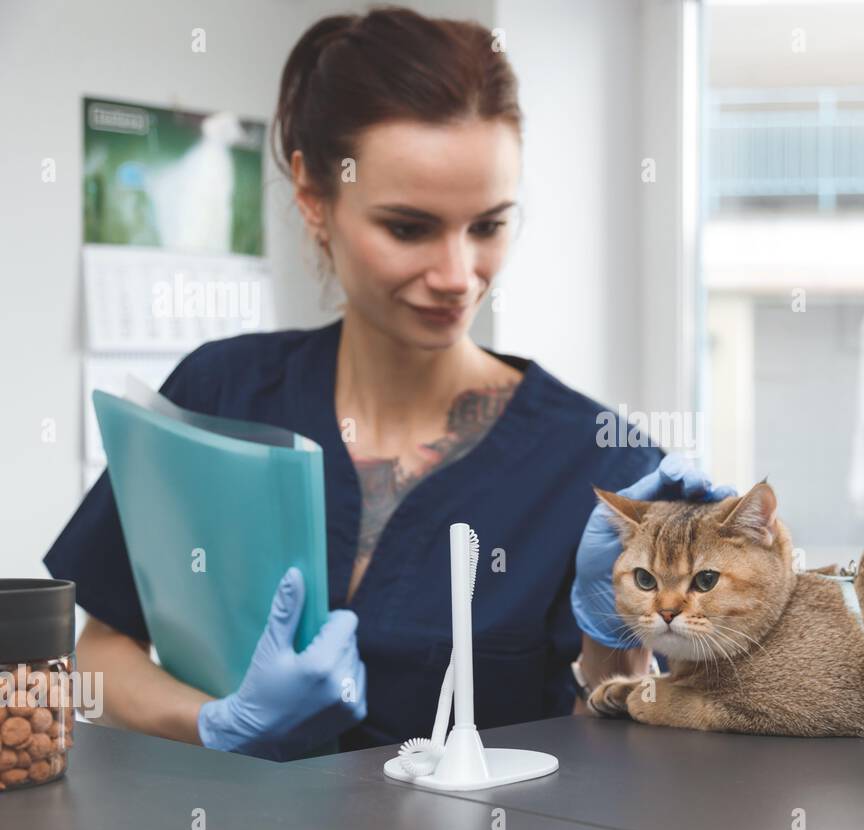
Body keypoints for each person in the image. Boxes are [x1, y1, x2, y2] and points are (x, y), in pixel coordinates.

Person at [43, 8, 728, 760]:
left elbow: (633, 765)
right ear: (314, 196)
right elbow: (100, 653)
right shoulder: (221, 391)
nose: (458, 276)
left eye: (489, 225)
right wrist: (216, 723)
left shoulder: (602, 468)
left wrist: (611, 640)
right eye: (409, 227)